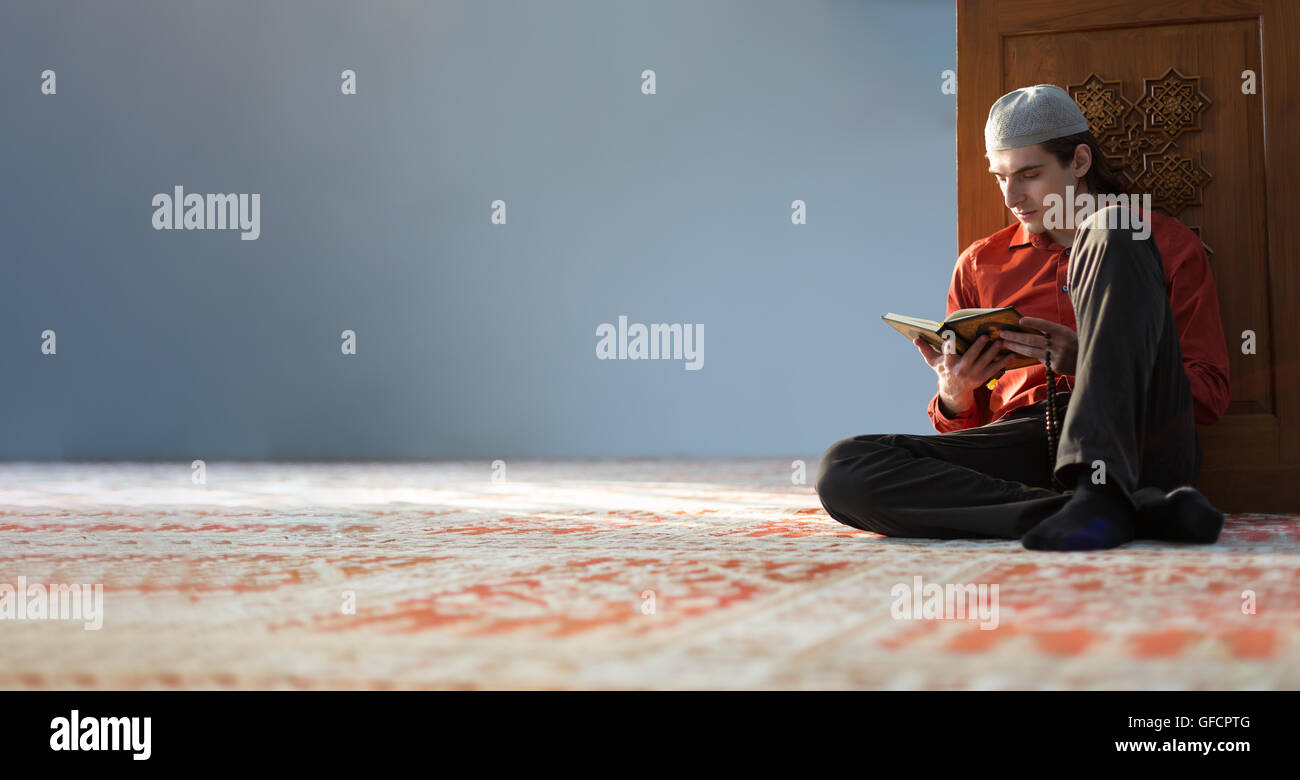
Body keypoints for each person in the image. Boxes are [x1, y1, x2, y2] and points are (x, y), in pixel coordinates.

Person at [816, 84, 1231, 551]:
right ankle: (1122, 513)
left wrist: (1089, 363)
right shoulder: (980, 263)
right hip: (1027, 439)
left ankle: (1102, 494)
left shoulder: (1159, 241)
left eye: (1029, 174)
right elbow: (967, 424)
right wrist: (955, 396)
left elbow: (1209, 395)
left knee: (1112, 227)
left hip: (1141, 438)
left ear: (1078, 161)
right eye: (1000, 177)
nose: (1012, 196)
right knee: (845, 468)